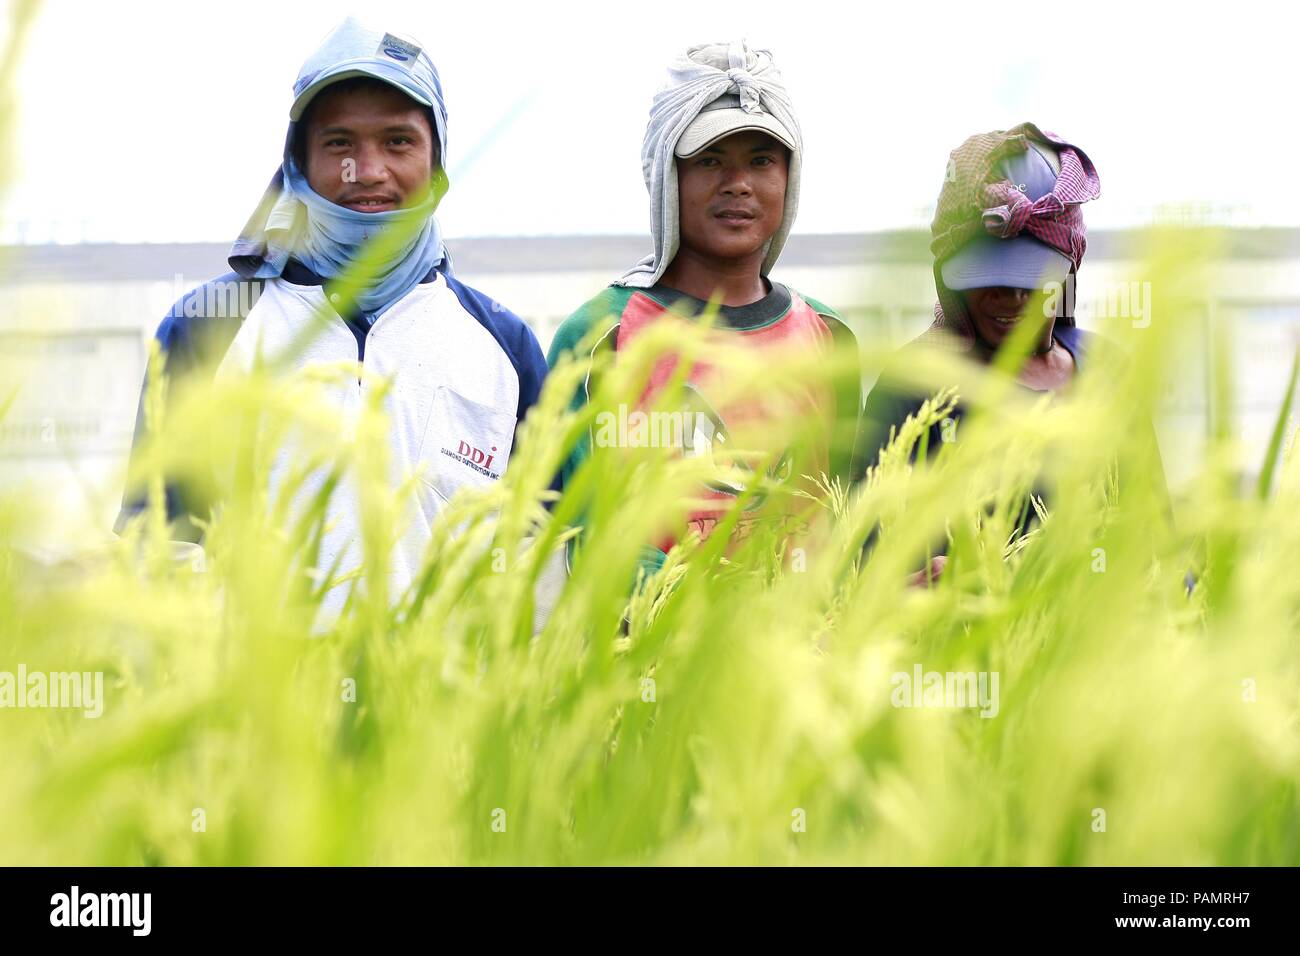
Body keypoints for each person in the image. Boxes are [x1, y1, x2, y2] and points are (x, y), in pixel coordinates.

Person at [114, 18, 548, 618]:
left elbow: (544, 565)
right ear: (297, 163)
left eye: (398, 141)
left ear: (438, 162)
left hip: (449, 707)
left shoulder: (505, 345)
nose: (367, 171)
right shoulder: (205, 328)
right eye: (339, 143)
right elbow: (158, 547)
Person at [546, 40, 864, 573]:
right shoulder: (602, 334)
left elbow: (841, 521)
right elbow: (587, 534)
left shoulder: (828, 335)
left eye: (761, 160)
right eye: (709, 160)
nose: (737, 184)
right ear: (665, 176)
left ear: (790, 176)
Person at [859, 123, 1169, 585]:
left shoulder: (1109, 370)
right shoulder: (915, 386)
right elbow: (859, 569)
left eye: (1031, 280)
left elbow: (1157, 537)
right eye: (986, 279)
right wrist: (918, 588)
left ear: (1068, 269)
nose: (1010, 298)